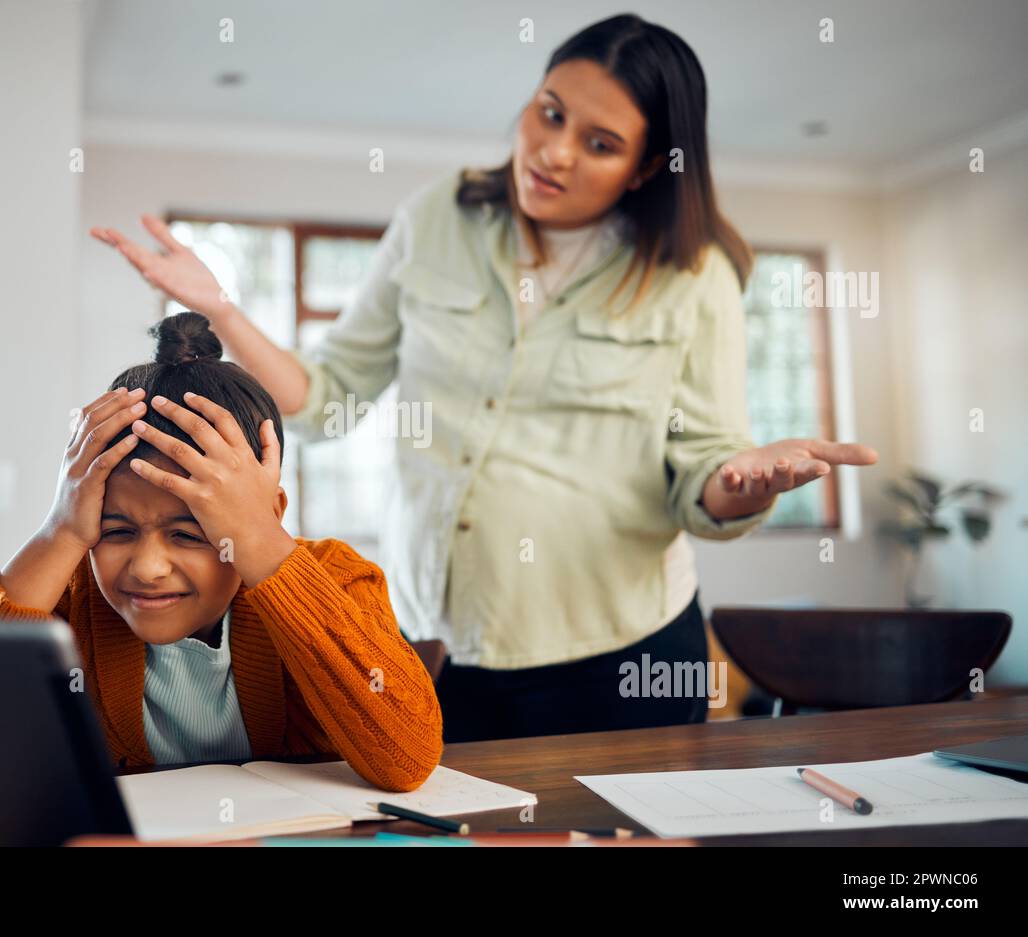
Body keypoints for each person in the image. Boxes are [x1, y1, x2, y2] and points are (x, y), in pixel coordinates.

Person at [90, 15, 877, 743]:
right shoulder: (438, 217)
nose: (554, 150)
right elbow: (328, 400)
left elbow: (702, 470)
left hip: (618, 650)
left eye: (601, 144)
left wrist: (742, 483)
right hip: (438, 649)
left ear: (645, 169)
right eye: (550, 111)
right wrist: (219, 308)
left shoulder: (693, 273)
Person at [0, 312, 442, 790]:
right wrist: (58, 532)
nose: (147, 569)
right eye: (116, 531)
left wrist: (257, 539)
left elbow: (407, 758)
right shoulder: (66, 598)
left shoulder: (337, 578)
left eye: (188, 535)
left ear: (266, 515)